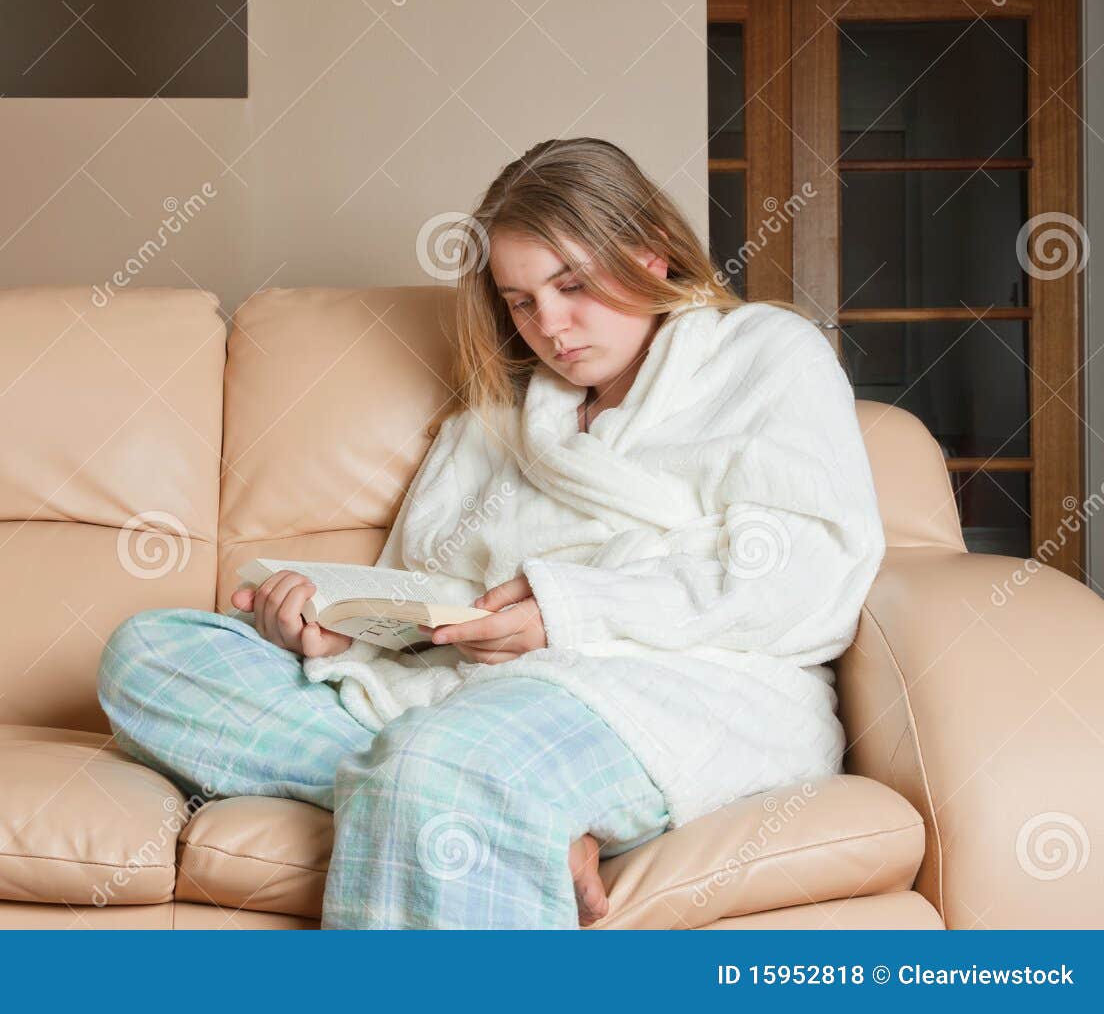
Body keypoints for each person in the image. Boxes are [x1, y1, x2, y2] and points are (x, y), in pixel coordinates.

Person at [97, 137, 887, 929]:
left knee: (435, 766)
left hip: (673, 687)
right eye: (521, 301)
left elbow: (810, 580)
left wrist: (566, 610)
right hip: (462, 695)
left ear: (649, 254)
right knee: (152, 659)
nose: (551, 325)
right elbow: (423, 598)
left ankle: (474, 787)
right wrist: (338, 631)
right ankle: (515, 809)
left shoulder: (762, 356)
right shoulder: (493, 422)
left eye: (572, 284)